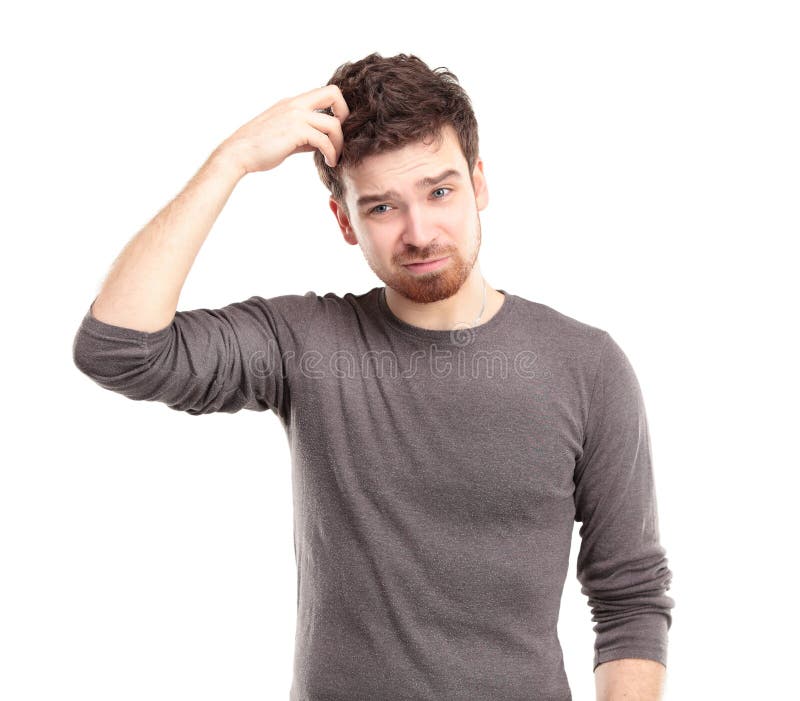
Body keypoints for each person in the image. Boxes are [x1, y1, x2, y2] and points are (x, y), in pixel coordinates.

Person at [72, 52, 675, 700]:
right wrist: (233, 160)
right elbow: (117, 349)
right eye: (383, 207)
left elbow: (631, 598)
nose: (419, 231)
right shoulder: (305, 343)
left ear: (479, 183)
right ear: (344, 222)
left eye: (439, 191)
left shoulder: (586, 366)